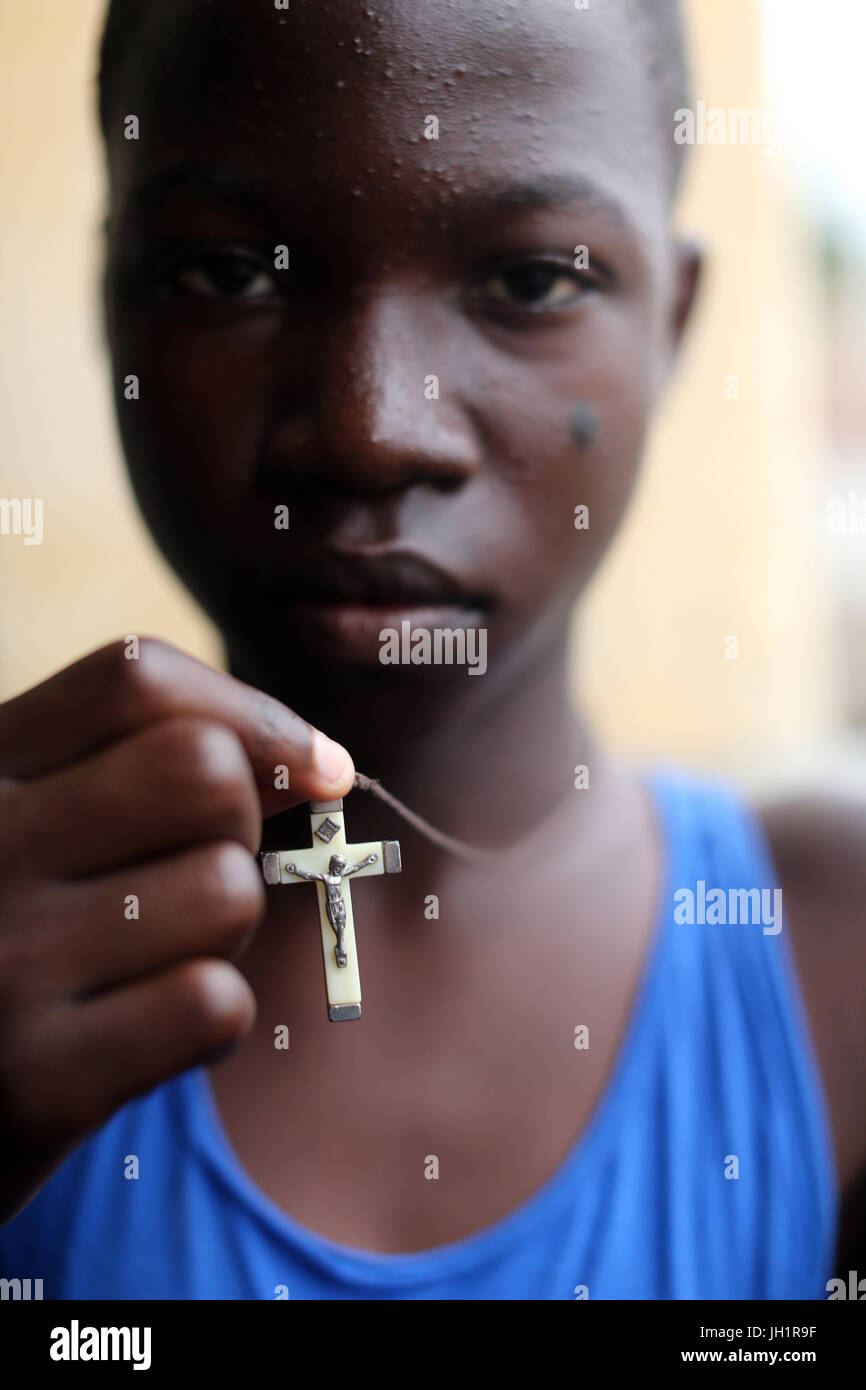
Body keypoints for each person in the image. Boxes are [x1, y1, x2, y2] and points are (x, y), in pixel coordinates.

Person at [0, 0, 863, 1300]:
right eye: (227, 273)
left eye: (529, 280)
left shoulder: (829, 948)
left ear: (672, 323)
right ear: (110, 298)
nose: (369, 431)